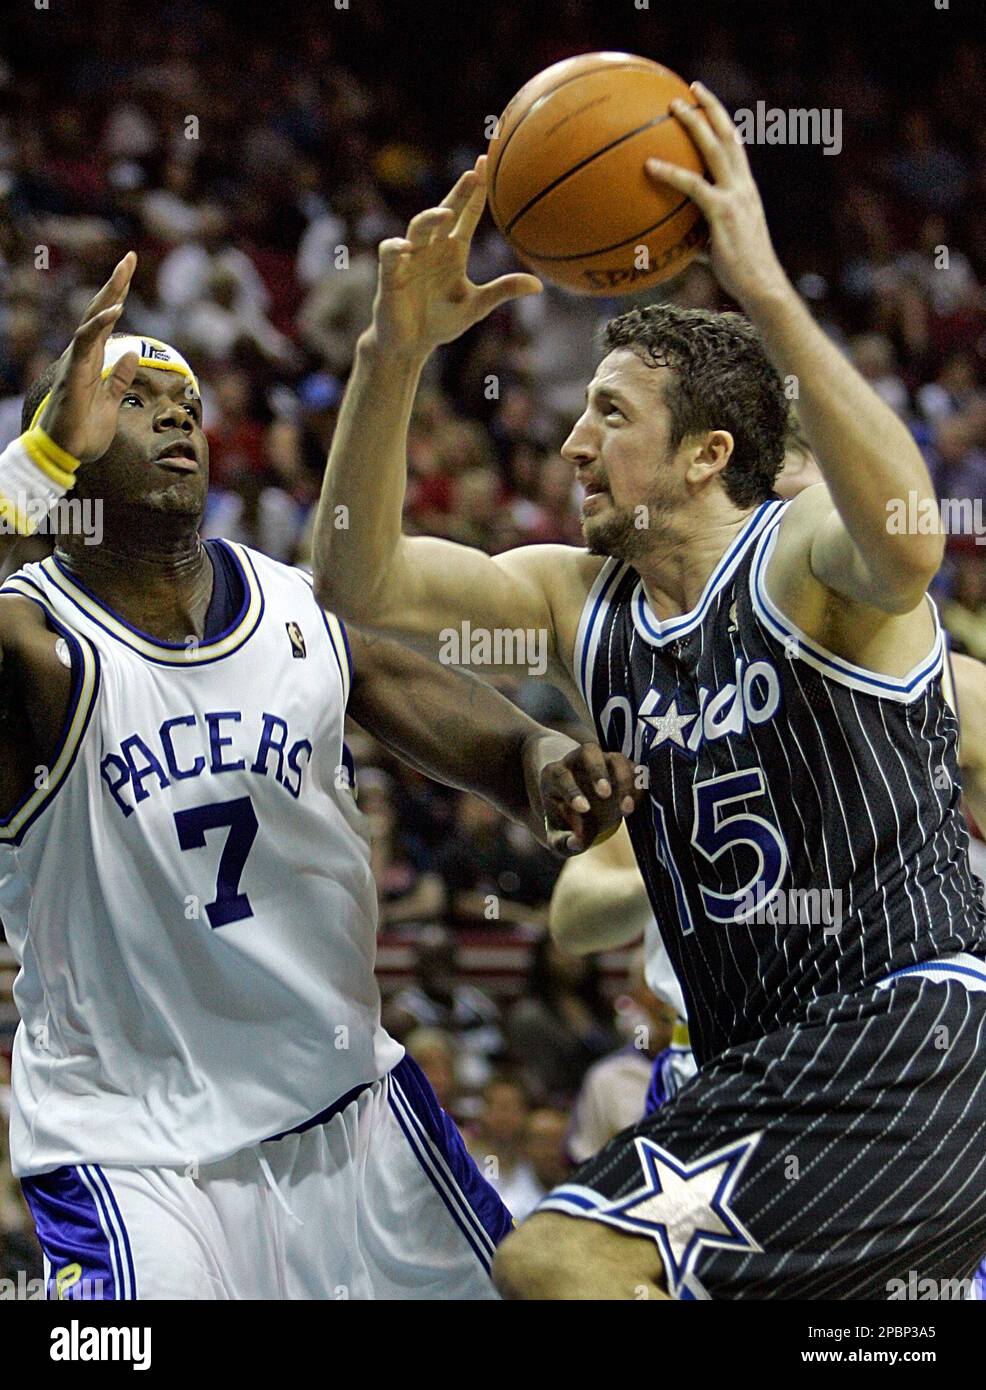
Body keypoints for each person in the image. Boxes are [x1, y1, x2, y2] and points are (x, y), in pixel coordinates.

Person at [313, 81, 986, 1300]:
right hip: (750, 1067)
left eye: (608, 416)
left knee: (558, 1262)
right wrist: (390, 356)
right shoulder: (581, 605)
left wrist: (766, 291)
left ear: (705, 454)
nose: (571, 443)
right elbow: (357, 581)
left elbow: (907, 538)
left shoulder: (795, 561)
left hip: (913, 1037)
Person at [0, 257, 641, 1301]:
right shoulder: (34, 644)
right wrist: (33, 463)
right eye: (131, 397)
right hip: (135, 1146)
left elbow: (411, 687)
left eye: (187, 403)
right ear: (63, 440)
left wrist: (535, 760)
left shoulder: (285, 603)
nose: (175, 418)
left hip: (344, 1105)